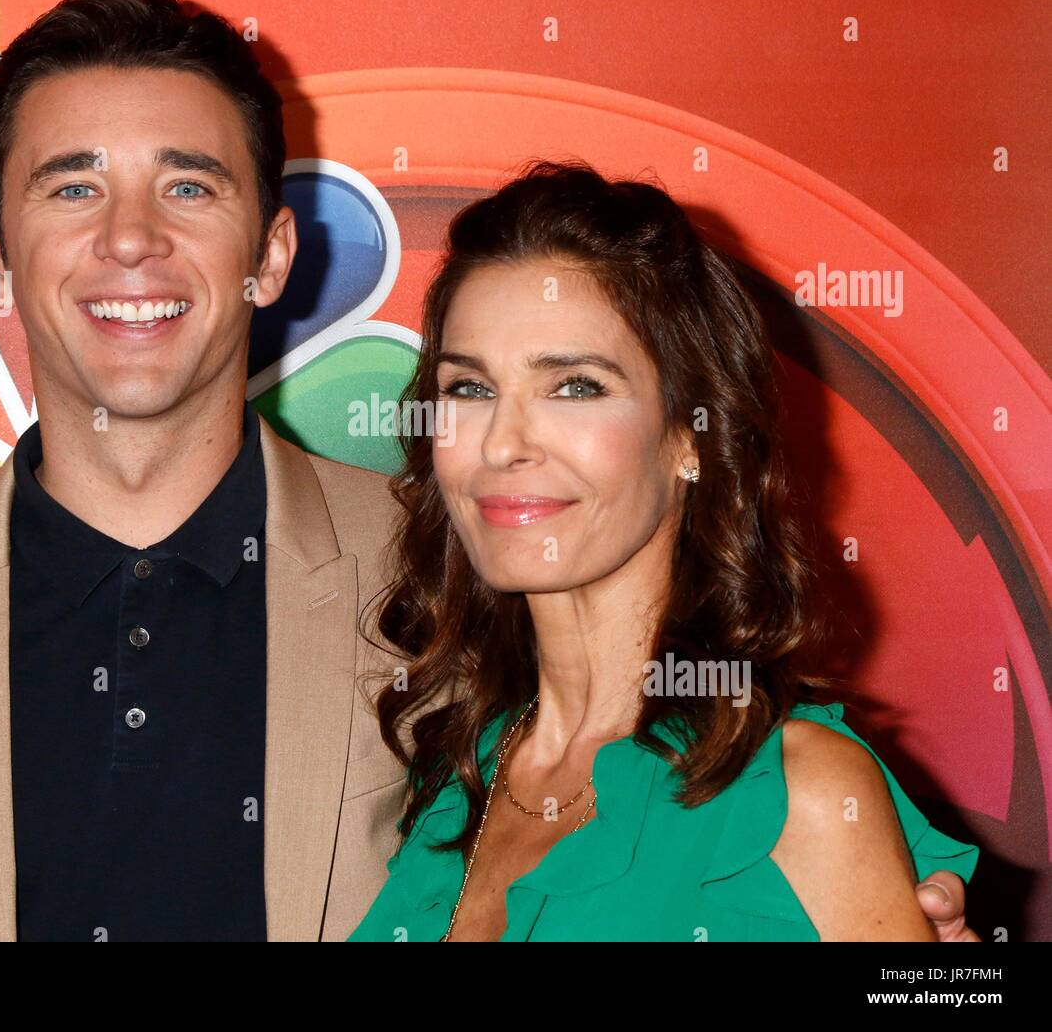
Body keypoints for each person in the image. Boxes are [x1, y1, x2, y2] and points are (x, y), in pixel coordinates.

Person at [0, 0, 976, 943]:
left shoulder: (451, 586)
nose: (130, 238)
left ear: (274, 252)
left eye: (189, 184)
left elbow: (731, 777)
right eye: (73, 187)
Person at [350, 161, 980, 941]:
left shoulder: (796, 792)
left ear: (690, 438)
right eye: (469, 389)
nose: (501, 443)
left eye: (575, 386)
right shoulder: (457, 776)